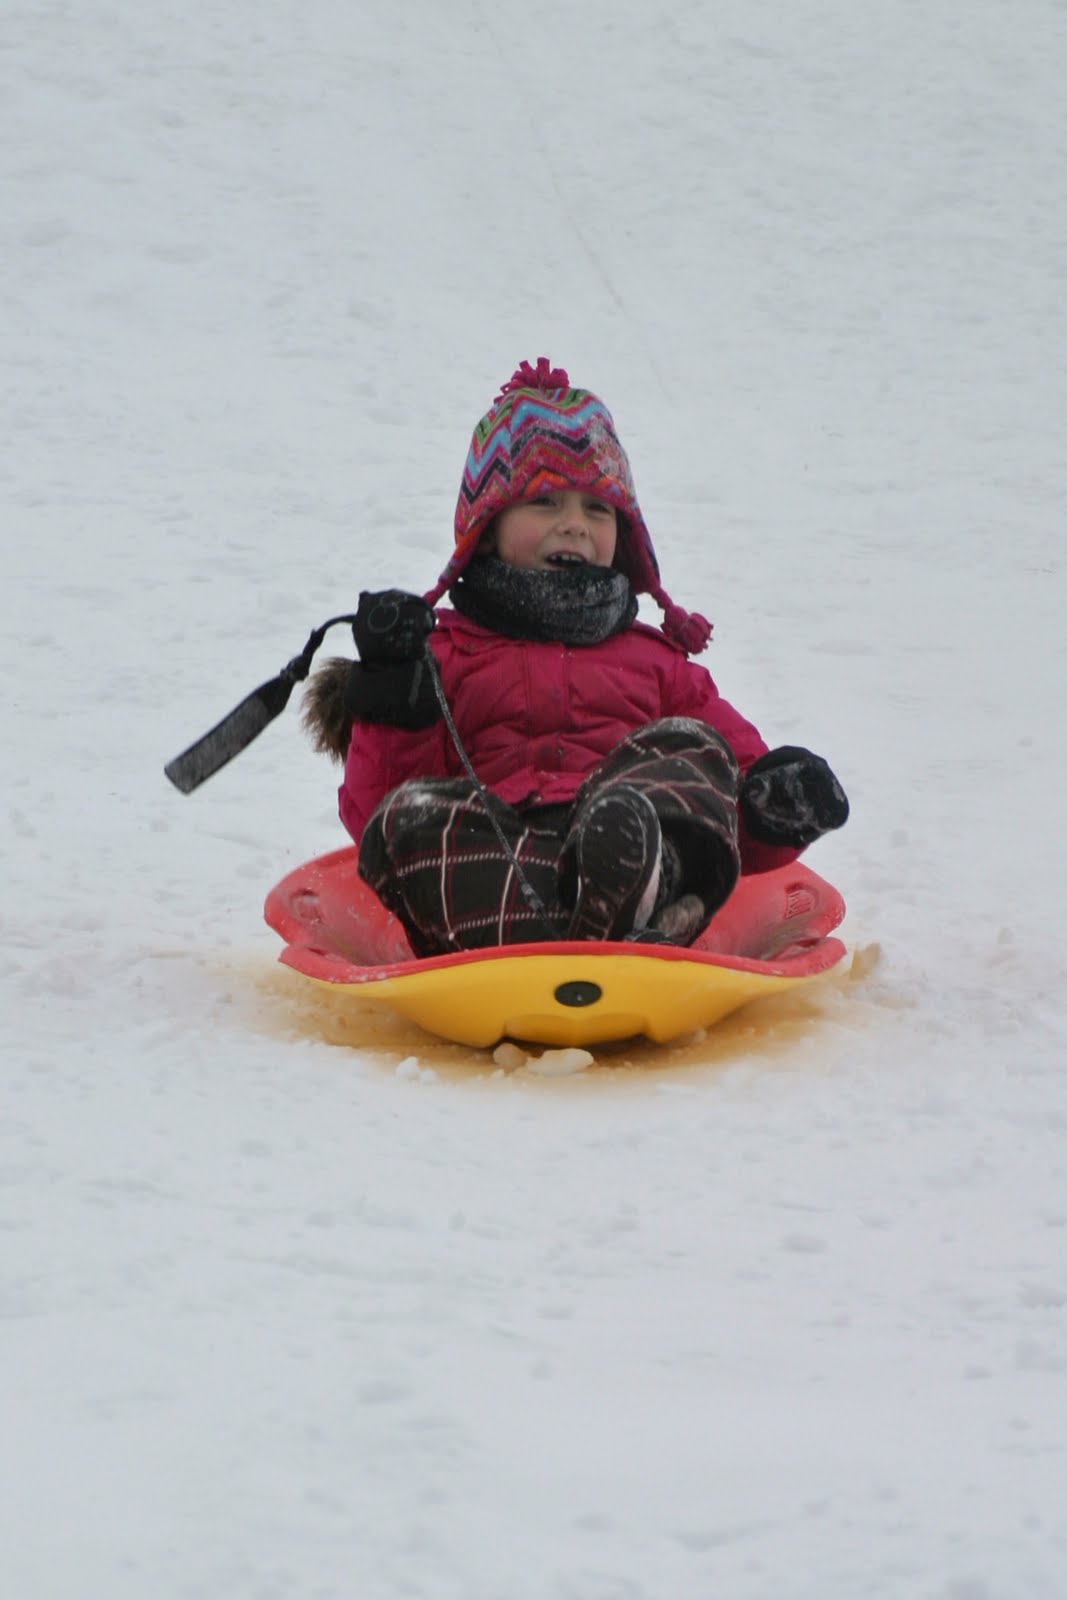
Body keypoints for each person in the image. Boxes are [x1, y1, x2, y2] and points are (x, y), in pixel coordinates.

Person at [303, 358, 848, 957]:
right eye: (545, 504)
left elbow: (726, 808)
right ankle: (572, 921)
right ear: (485, 529)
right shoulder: (440, 657)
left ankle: (642, 884)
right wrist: (392, 694)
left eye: (598, 509)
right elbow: (373, 811)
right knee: (408, 819)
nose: (575, 526)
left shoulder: (658, 664)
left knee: (690, 745)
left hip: (635, 843)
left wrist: (775, 805)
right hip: (498, 874)